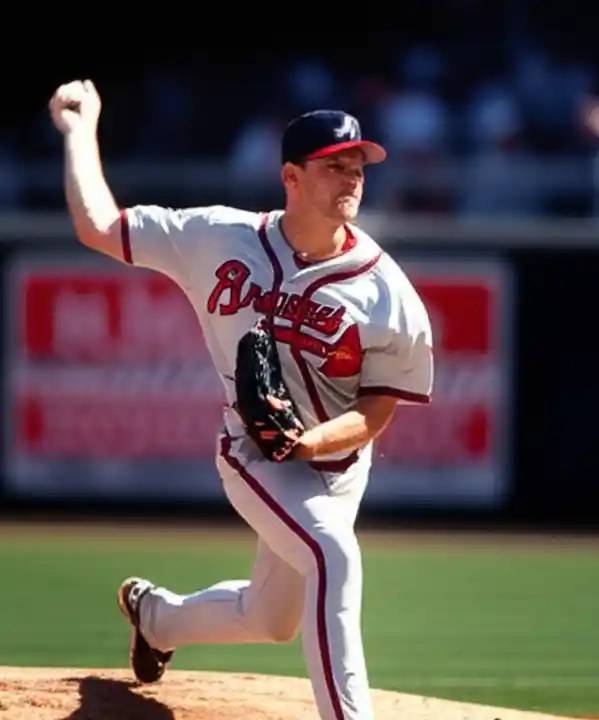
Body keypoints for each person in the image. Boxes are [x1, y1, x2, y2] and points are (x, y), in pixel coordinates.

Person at [49, 79, 435, 720]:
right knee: (332, 555)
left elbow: (375, 414)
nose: (351, 177)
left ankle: (156, 617)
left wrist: (311, 441)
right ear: (290, 175)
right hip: (255, 455)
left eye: (357, 165)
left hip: (337, 468)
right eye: (333, 165)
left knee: (272, 618)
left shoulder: (386, 291)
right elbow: (98, 227)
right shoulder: (217, 237)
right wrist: (80, 129)